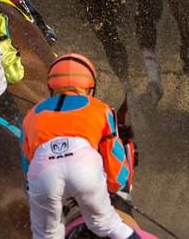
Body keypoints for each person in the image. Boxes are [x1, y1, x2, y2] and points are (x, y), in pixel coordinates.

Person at [23, 54, 146, 239]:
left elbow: (27, 168)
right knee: (110, 226)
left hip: (45, 179)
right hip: (85, 173)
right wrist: (113, 187)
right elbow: (115, 163)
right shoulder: (100, 109)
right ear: (90, 88)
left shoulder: (32, 115)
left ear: (51, 86)